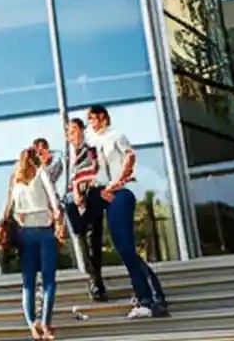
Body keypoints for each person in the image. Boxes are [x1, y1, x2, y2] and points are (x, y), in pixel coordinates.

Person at [86, 104, 168, 319]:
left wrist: (117, 182)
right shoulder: (92, 141)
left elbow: (130, 157)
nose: (90, 123)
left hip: (120, 193)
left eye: (92, 118)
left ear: (102, 117)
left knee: (126, 248)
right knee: (123, 249)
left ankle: (150, 299)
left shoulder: (116, 136)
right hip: (104, 195)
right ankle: (149, 298)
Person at [4, 147, 62, 340]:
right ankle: (45, 323)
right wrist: (57, 215)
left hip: (26, 233)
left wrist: (21, 219)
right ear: (35, 158)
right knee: (48, 281)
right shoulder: (41, 173)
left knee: (28, 282)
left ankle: (32, 324)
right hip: (44, 231)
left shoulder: (16, 181)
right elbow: (53, 199)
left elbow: (13, 211)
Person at [62, 118, 107, 302]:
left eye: (73, 129)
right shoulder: (66, 155)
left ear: (82, 130)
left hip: (92, 195)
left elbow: (95, 168)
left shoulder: (91, 148)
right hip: (74, 199)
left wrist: (79, 183)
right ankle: (92, 277)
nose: (70, 134)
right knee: (80, 237)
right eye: (68, 131)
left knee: (93, 240)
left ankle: (96, 280)